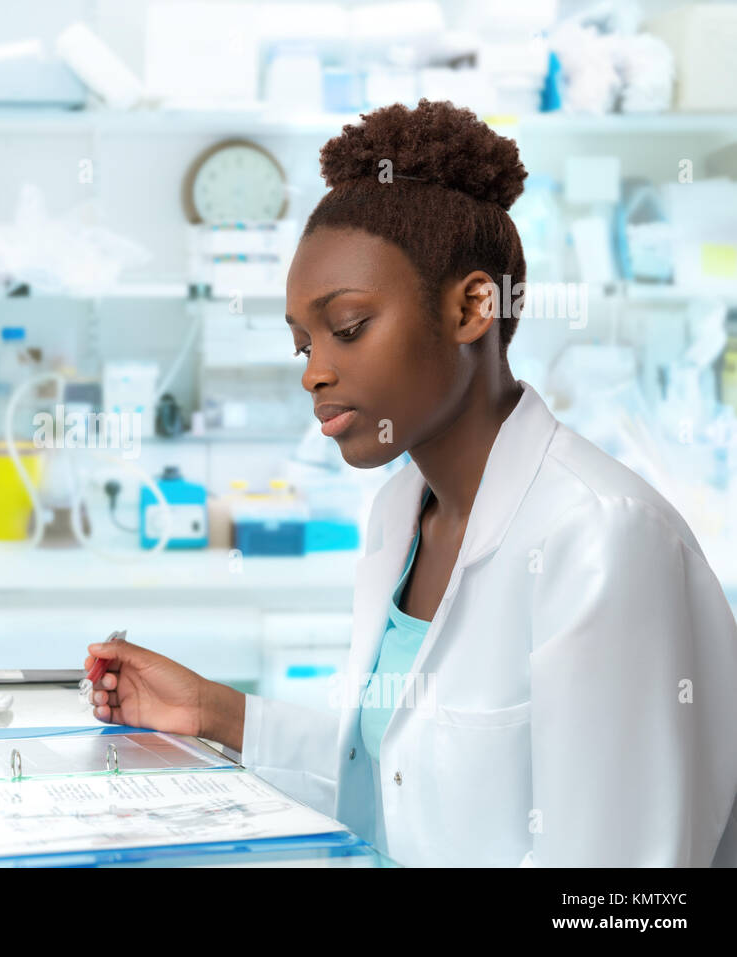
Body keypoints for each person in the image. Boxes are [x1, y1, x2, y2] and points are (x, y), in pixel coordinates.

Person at [84, 100, 737, 867]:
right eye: (302, 343)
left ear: (471, 307)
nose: (315, 371)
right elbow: (402, 783)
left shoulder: (600, 536)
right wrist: (214, 711)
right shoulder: (401, 511)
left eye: (349, 326)